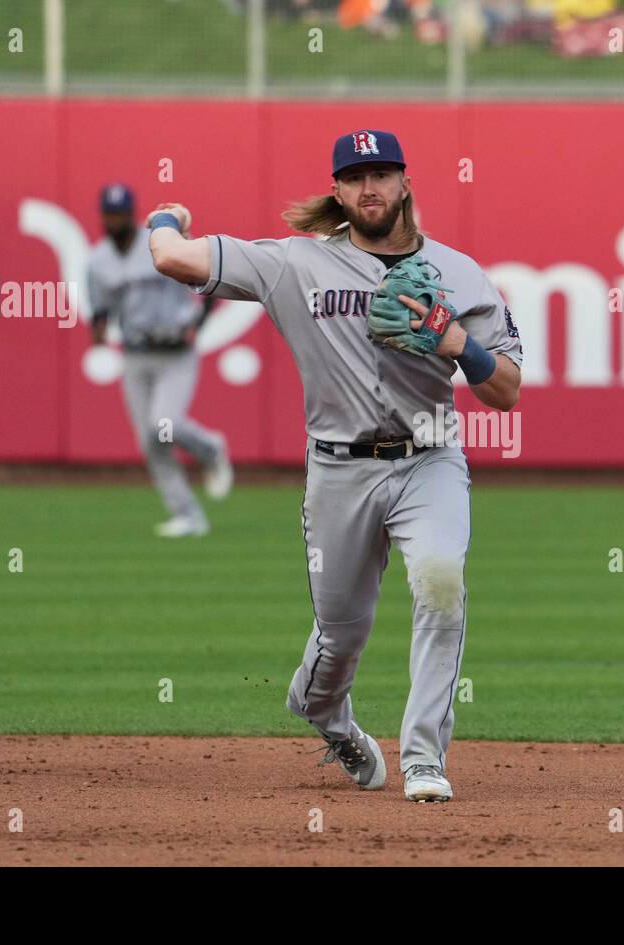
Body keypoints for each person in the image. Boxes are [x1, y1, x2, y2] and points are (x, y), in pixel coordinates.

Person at [145, 130, 522, 802]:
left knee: (440, 582)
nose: (368, 188)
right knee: (340, 640)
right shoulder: (297, 265)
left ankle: (425, 757)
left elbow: (507, 390)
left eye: (380, 174)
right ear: (338, 191)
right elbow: (172, 259)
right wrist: (165, 218)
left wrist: (456, 340)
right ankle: (328, 718)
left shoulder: (458, 273)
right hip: (338, 473)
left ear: (405, 181)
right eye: (353, 177)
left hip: (428, 458)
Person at [86, 183, 233, 538]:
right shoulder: (98, 261)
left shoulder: (157, 242)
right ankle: (188, 516)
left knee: (164, 423)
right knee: (150, 442)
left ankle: (211, 448)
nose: (115, 220)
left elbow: (207, 277)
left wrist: (198, 323)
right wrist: (99, 331)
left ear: (132, 214)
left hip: (174, 353)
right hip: (136, 357)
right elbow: (100, 312)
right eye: (109, 214)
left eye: (120, 213)